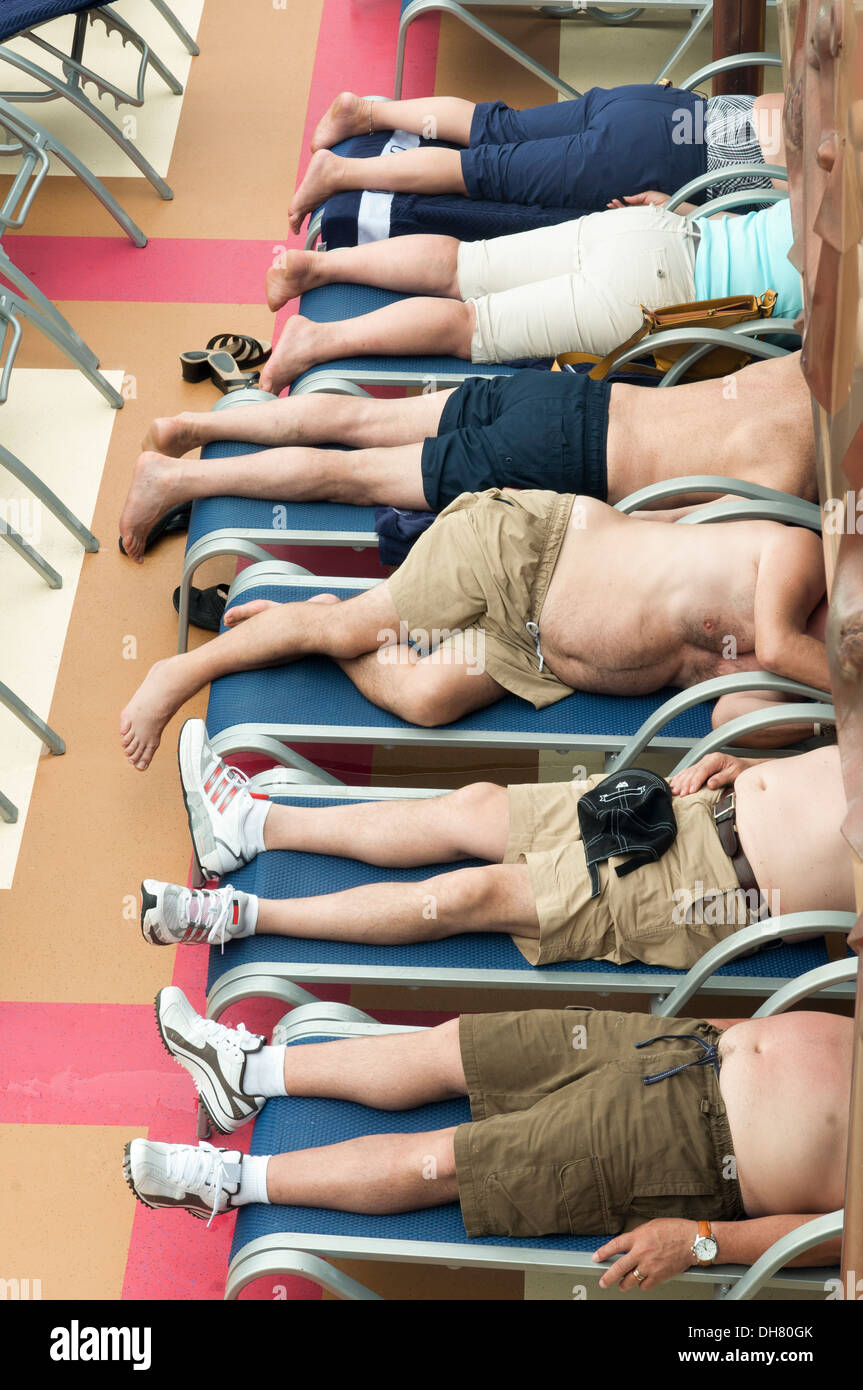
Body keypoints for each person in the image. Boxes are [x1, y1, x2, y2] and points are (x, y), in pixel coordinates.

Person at [124, 991, 848, 1290]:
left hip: (688, 1148)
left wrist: (700, 1241)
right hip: (687, 1046)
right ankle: (247, 1070)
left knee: (446, 1161)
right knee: (453, 1049)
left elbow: (844, 1240)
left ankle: (228, 1182)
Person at [119, 493, 829, 770]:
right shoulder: (800, 557)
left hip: (536, 651)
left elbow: (736, 716)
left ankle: (308, 621)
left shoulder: (797, 664)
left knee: (421, 700)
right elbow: (775, 642)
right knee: (344, 633)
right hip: (523, 554)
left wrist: (810, 713)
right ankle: (179, 674)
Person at [141, 728, 850, 972]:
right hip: (692, 806)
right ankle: (251, 826)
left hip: (712, 885)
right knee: (472, 807)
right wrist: (748, 769)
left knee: (469, 895)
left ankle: (239, 915)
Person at [119, 352, 815, 561]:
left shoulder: (805, 370)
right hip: (569, 461)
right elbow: (668, 529)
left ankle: (183, 427)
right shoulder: (785, 480)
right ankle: (179, 477)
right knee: (355, 475)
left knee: (364, 417)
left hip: (566, 400)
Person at [259, 195, 801, 395]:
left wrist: (675, 209)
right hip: (663, 299)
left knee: (465, 263)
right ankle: (317, 341)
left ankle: (317, 266)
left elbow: (751, 216)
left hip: (663, 229)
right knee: (472, 325)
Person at [286, 87, 786, 238]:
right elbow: (748, 226)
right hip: (656, 163)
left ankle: (365, 112)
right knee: (485, 172)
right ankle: (342, 173)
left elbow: (768, 104)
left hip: (667, 108)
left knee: (502, 126)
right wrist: (674, 209)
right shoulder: (824, 191)